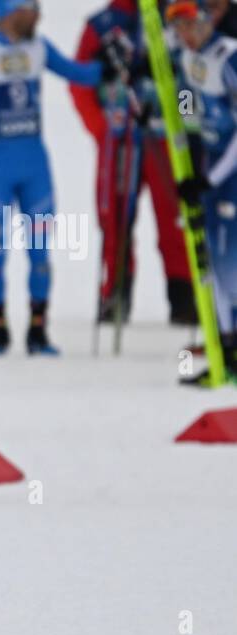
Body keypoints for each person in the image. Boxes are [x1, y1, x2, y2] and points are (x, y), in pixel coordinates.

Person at [0, 0, 119, 355]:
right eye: (32, 8)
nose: (39, 15)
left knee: (40, 251)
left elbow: (78, 73)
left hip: (36, 167)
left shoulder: (39, 47)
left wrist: (110, 68)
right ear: (10, 11)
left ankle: (38, 330)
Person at [72, 0, 196, 325]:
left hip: (166, 137)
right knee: (115, 216)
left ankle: (183, 295)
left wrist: (187, 124)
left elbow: (192, 75)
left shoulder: (179, 16)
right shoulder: (103, 23)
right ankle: (116, 292)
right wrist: (100, 127)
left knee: (175, 215)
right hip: (121, 136)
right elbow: (80, 81)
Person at [171, 0, 237, 376]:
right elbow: (187, 109)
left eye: (191, 26)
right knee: (211, 260)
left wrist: (210, 178)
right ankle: (224, 348)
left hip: (229, 170)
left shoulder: (229, 59)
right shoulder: (187, 59)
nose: (186, 35)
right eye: (179, 29)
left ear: (207, 21)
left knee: (230, 265)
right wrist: (170, 120)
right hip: (213, 166)